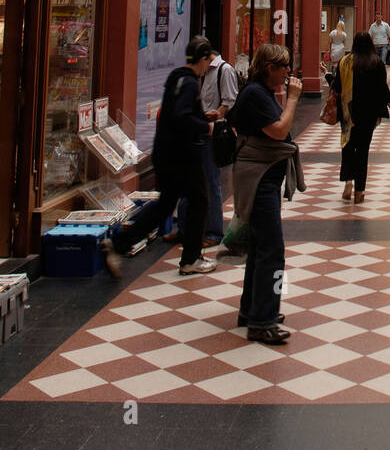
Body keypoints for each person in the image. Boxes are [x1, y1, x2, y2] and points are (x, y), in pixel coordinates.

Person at [105, 36, 215, 276]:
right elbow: (181, 117)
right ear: (203, 58)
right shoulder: (188, 83)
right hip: (182, 155)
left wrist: (200, 118)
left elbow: (176, 114)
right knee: (199, 201)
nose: (209, 64)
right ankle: (191, 258)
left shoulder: (176, 77)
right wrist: (204, 126)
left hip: (166, 154)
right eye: (208, 59)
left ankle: (119, 243)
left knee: (165, 205)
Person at [229, 43, 304, 344]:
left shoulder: (258, 92)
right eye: (283, 66)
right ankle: (263, 320)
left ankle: (252, 310)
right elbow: (279, 130)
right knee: (274, 252)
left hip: (263, 178)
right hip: (260, 181)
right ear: (268, 68)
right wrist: (294, 98)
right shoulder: (257, 94)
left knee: (261, 249)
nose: (288, 71)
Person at [172, 48, 238, 249]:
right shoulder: (199, 73)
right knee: (188, 178)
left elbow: (230, 99)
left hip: (212, 133)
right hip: (195, 130)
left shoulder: (224, 70)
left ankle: (214, 232)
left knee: (211, 181)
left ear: (204, 58)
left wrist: (216, 114)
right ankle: (183, 228)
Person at [332, 31, 390, 203]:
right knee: (363, 150)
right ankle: (359, 191)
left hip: (348, 112)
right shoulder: (375, 62)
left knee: (347, 146)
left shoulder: (344, 62)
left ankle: (348, 181)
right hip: (368, 114)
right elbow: (383, 89)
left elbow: (337, 87)